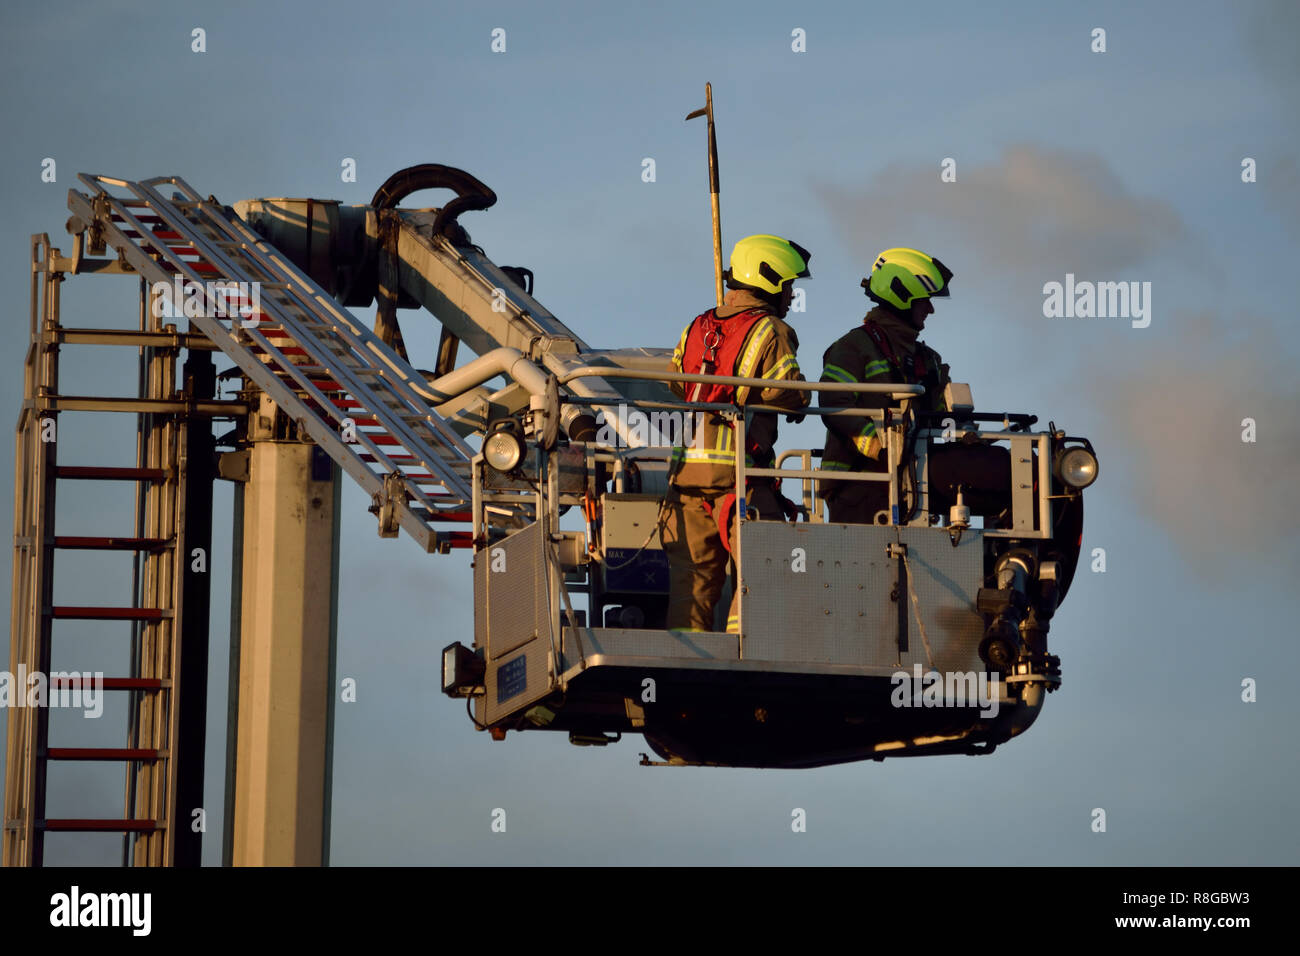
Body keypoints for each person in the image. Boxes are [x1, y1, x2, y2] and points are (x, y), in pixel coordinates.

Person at [661, 234, 812, 633]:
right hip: (739, 477)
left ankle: (686, 666)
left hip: (686, 476)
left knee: (692, 585)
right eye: (789, 285)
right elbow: (785, 390)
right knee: (763, 570)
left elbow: (678, 381)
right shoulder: (771, 329)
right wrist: (800, 400)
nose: (791, 295)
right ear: (770, 281)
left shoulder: (696, 325)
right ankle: (744, 655)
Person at [818, 247, 1011, 525]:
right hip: (858, 484)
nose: (931, 309)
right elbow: (833, 403)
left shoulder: (926, 359)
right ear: (902, 296)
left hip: (913, 484)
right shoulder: (853, 348)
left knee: (1011, 470)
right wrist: (878, 447)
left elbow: (945, 417)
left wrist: (966, 433)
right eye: (925, 301)